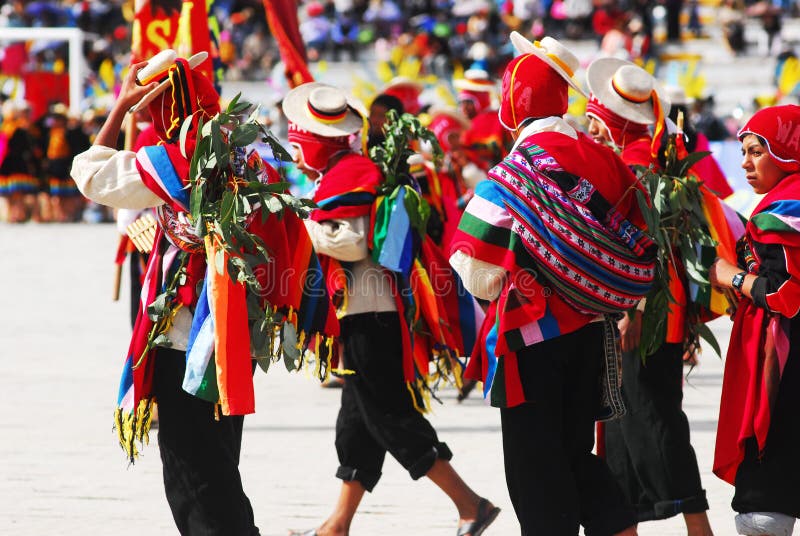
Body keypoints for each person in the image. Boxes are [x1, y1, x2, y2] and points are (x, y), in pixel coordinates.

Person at [71, 50, 337, 536]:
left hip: (187, 335)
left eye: (151, 107)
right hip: (236, 330)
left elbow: (89, 173)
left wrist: (119, 109)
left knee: (193, 473)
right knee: (218, 460)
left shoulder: (178, 158)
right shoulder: (250, 152)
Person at [450, 32, 652, 536]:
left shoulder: (516, 171)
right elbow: (639, 233)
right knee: (575, 452)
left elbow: (474, 263)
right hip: (591, 331)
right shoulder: (606, 159)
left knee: (534, 466)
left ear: (511, 103)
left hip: (531, 339)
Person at [284, 81, 499, 536]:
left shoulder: (351, 171)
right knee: (357, 425)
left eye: (298, 140)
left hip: (369, 314)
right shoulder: (344, 172)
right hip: (360, 313)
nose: (294, 149)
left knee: (390, 417)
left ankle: (470, 505)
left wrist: (302, 224)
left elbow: (352, 241)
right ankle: (337, 526)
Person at [584, 57, 715, 536]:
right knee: (624, 422)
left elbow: (646, 244)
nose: (591, 130)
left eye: (596, 122)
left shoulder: (634, 163)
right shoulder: (648, 156)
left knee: (650, 418)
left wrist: (632, 308)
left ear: (611, 122)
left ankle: (700, 528)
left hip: (644, 308)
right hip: (652, 304)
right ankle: (624, 527)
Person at [710, 104, 800, 536]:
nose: (744, 162)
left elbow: (786, 295)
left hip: (785, 370)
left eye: (756, 151)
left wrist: (732, 276)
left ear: (785, 150)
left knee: (768, 501)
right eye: (743, 151)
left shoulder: (784, 211)